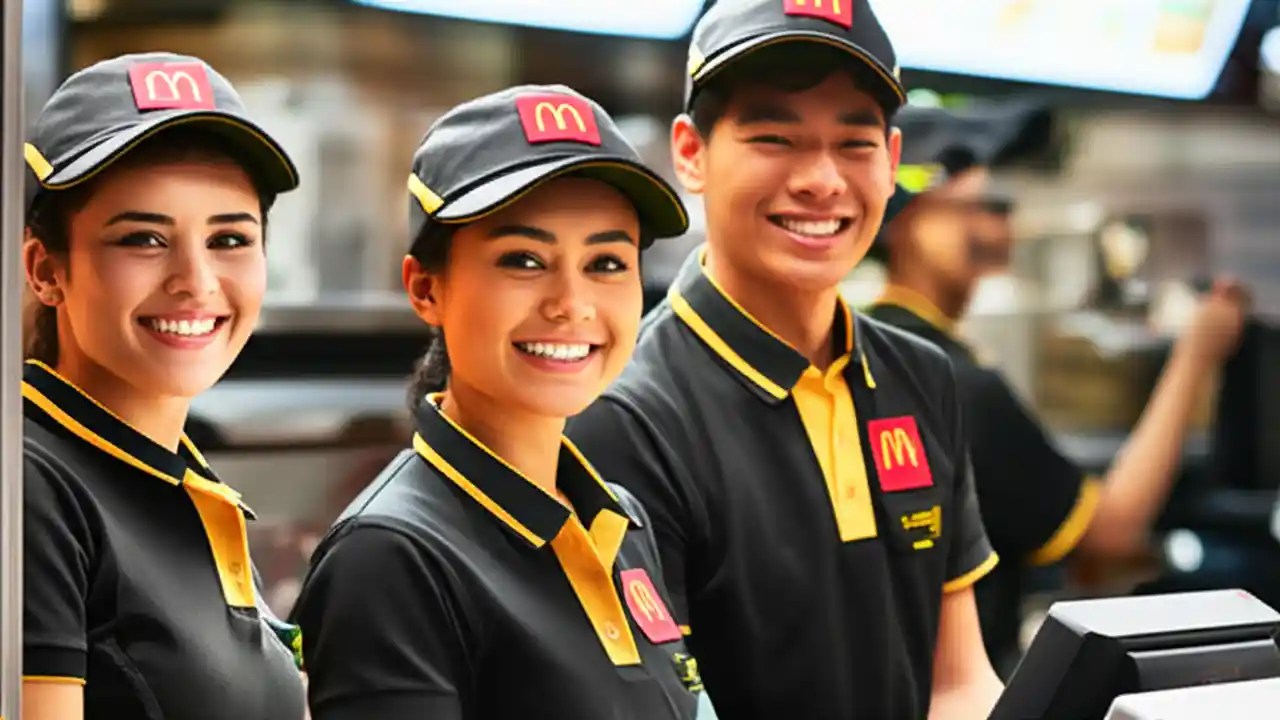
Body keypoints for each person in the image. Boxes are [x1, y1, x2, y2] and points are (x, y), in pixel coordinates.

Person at [566, 2, 1005, 719]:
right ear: (690, 155)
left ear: (892, 164)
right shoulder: (620, 416)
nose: (821, 180)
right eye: (775, 138)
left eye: (854, 145)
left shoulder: (922, 378)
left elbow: (957, 681)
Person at [290, 85, 703, 720]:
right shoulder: (391, 557)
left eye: (607, 263)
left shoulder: (620, 523)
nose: (571, 302)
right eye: (525, 260)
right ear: (426, 289)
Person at [864, 106, 1250, 676]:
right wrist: (1198, 353)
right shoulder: (949, 381)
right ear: (908, 222)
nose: (1001, 227)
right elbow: (1110, 541)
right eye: (984, 207)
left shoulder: (871, 350)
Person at [20, 53, 304, 720]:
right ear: (45, 269)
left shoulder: (185, 486)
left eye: (230, 239)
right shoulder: (27, 486)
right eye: (144, 239)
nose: (196, 281)